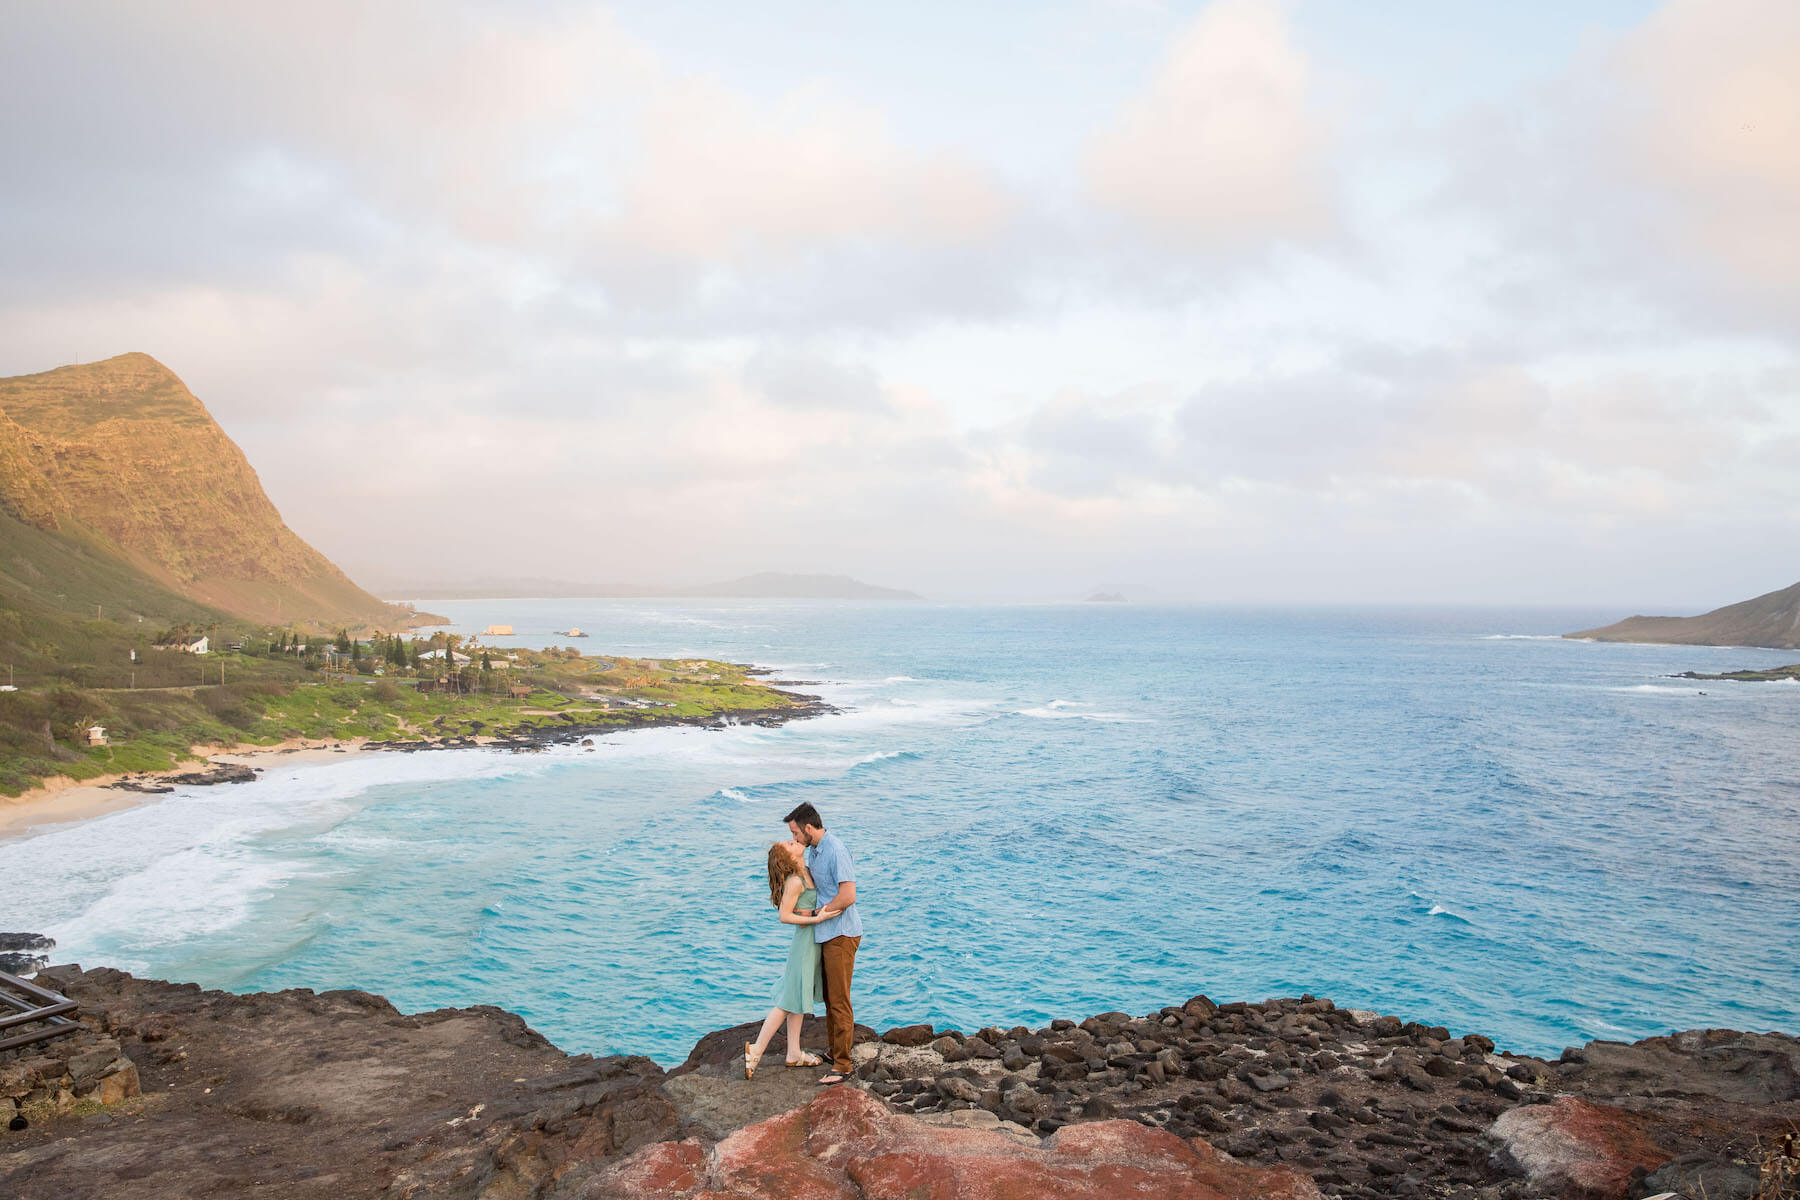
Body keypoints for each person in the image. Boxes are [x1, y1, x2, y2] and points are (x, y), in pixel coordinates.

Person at [784, 802, 860, 1085]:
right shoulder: (814, 851)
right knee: (830, 996)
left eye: (795, 834)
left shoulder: (836, 850)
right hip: (826, 933)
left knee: (839, 999)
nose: (794, 839)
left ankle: (843, 1065)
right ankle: (835, 1051)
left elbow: (848, 895)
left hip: (841, 932)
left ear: (808, 828)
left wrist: (818, 913)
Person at [743, 839, 832, 1079]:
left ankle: (793, 1053)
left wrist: (815, 913)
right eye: (790, 845)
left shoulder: (808, 872)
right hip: (804, 945)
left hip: (811, 944)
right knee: (787, 1001)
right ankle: (757, 1049)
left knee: (797, 998)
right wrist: (816, 919)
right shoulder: (795, 881)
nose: (794, 841)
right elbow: (784, 915)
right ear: (788, 858)